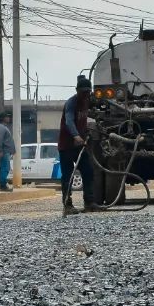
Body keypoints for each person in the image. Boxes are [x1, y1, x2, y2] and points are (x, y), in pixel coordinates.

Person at [58, 75, 95, 214]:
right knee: (68, 176)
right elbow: (69, 121)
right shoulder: (71, 103)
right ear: (77, 91)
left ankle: (89, 202)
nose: (85, 95)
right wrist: (76, 135)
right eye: (83, 92)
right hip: (67, 146)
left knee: (88, 171)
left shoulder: (87, 101)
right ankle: (67, 205)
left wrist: (87, 131)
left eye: (88, 92)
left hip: (80, 146)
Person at [0, 110, 16, 191]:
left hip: (6, 151)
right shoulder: (1, 127)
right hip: (4, 151)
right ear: (3, 118)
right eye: (7, 117)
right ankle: (3, 185)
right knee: (5, 168)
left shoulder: (4, 127)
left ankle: (3, 185)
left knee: (5, 168)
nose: (9, 118)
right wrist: (0, 151)